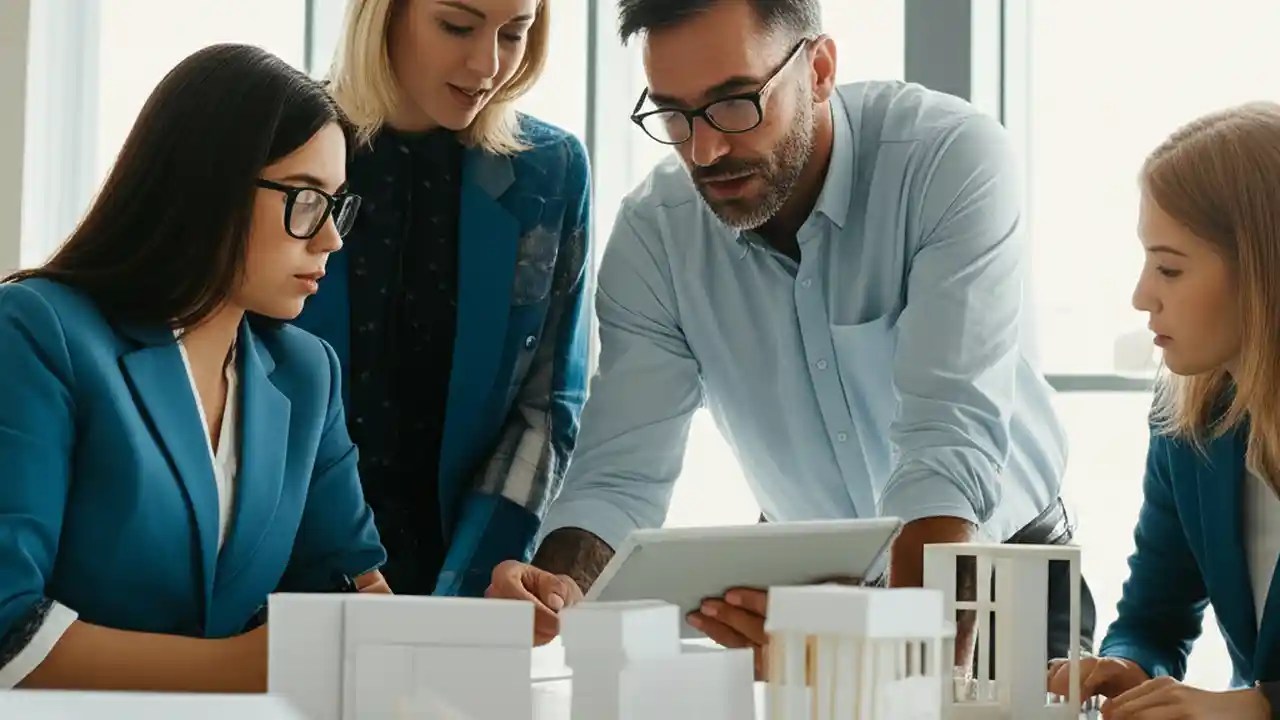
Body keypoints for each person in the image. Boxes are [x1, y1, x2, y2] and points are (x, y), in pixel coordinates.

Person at [488, 0, 1095, 675]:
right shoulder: (656, 234)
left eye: (735, 104)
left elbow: (947, 443)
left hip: (994, 580)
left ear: (821, 69)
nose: (705, 150)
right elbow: (619, 473)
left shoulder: (948, 159)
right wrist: (559, 584)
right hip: (802, 607)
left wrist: (896, 650)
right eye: (674, 114)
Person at [0, 44, 389, 692]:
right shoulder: (39, 332)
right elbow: (8, 629)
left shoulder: (305, 374)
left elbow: (351, 583)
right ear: (213, 185)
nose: (331, 238)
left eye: (336, 205)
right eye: (305, 200)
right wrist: (256, 667)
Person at [293, 0, 591, 597]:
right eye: (457, 25)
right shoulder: (277, 146)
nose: (488, 65)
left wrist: (473, 585)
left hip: (470, 577)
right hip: (280, 583)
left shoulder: (549, 172)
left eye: (515, 32)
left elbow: (543, 405)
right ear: (383, 14)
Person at [1045, 103, 1280, 719]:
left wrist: (1254, 708)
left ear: (1264, 272)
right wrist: (1126, 666)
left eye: (1169, 268)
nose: (1141, 295)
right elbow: (1153, 618)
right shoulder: (1186, 421)